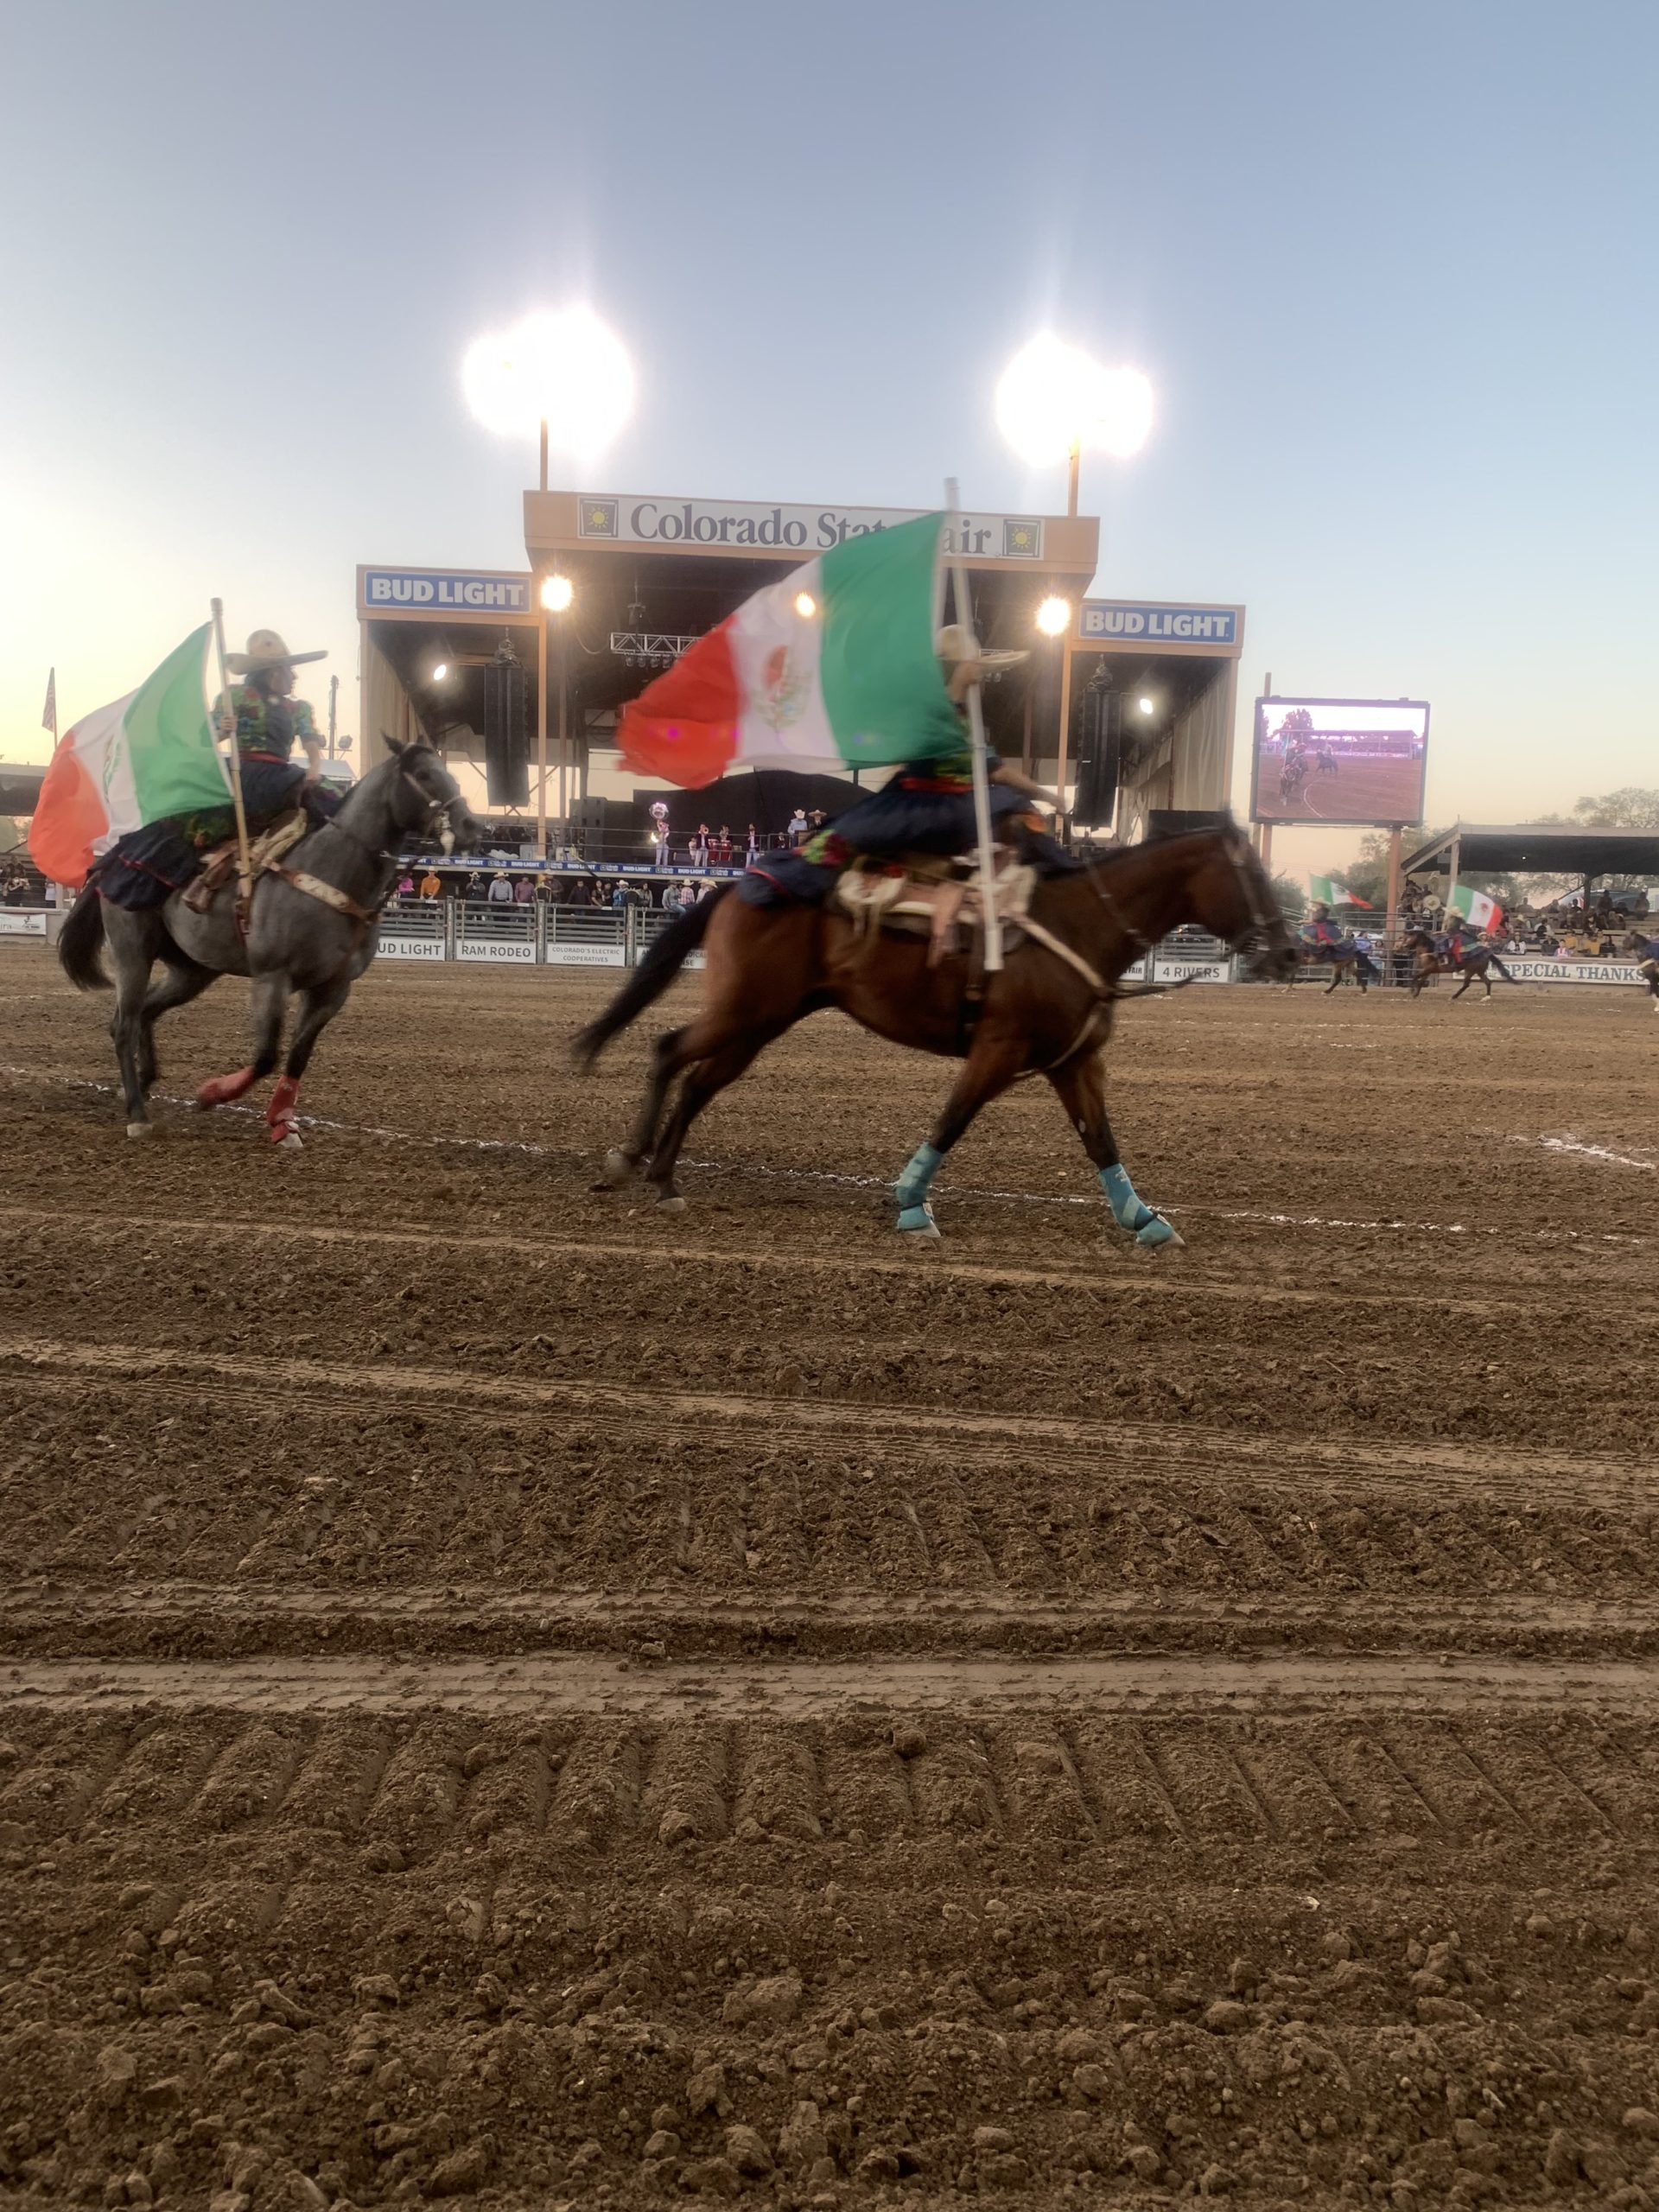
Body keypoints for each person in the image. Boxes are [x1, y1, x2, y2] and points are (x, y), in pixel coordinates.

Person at [741, 627, 1065, 907]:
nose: (980, 671)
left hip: (937, 800)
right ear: (963, 667)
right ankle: (1063, 873)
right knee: (1016, 804)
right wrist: (1047, 795)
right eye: (975, 664)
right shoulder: (942, 716)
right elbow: (996, 771)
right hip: (939, 807)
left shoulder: (953, 714)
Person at [94, 627, 335, 910]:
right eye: (289, 670)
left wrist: (315, 767)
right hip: (240, 773)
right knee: (190, 831)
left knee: (331, 808)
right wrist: (220, 730)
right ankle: (195, 882)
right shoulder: (235, 697)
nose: (294, 677)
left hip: (281, 776)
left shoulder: (299, 709)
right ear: (273, 672)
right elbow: (203, 738)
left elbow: (310, 740)